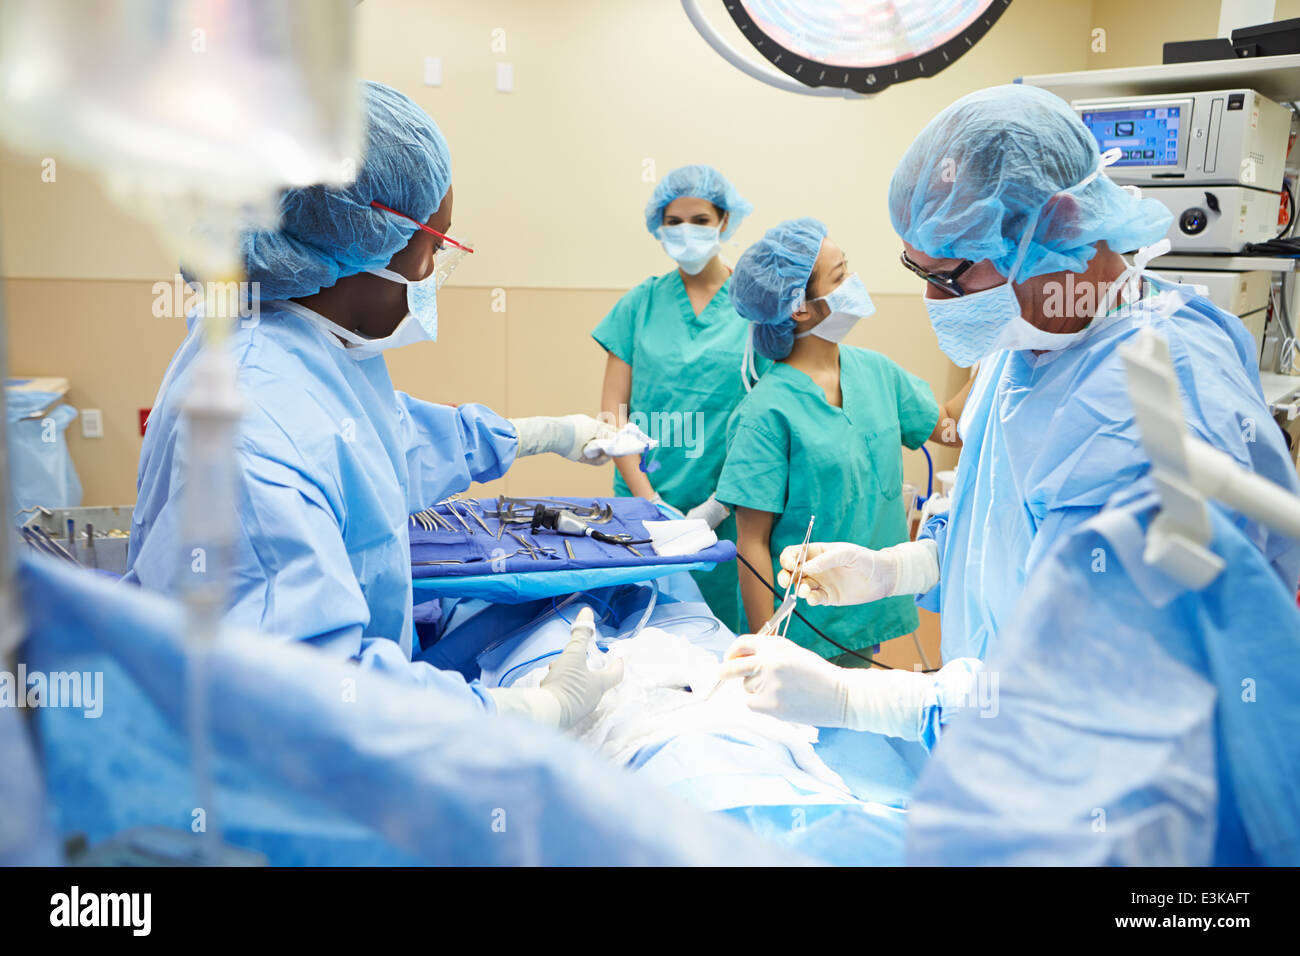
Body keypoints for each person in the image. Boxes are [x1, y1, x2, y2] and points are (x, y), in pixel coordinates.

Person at [718, 84, 1300, 765]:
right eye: (918, 270)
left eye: (950, 276)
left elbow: (1094, 693)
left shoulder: (1157, 415)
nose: (931, 300)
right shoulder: (1029, 343)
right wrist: (890, 569)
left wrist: (857, 699)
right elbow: (994, 534)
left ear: (1051, 228)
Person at [127, 81, 621, 728]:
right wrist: (537, 709)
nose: (437, 265)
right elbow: (308, 700)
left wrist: (547, 434)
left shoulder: (289, 343)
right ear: (369, 236)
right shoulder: (252, 431)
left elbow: (383, 443)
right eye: (437, 244)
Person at [717, 217, 965, 661]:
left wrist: (1000, 355)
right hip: (802, 626)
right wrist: (765, 649)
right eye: (840, 276)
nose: (854, 283)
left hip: (869, 608)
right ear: (800, 308)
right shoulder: (765, 413)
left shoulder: (876, 373)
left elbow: (949, 428)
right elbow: (751, 544)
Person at [593, 164, 757, 632]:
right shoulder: (638, 305)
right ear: (658, 228)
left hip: (731, 511)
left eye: (701, 220)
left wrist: (720, 504)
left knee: (724, 647)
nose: (687, 231)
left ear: (724, 221)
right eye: (675, 221)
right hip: (643, 514)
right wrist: (652, 505)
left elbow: (767, 418)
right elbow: (612, 415)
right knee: (648, 638)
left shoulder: (752, 310)